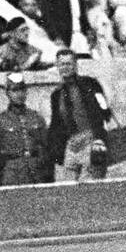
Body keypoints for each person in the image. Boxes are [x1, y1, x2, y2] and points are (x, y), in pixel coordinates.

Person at [47, 48, 111, 181]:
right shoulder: (56, 94)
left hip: (91, 141)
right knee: (68, 190)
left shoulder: (90, 84)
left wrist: (99, 139)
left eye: (68, 63)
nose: (65, 67)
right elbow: (56, 124)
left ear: (75, 65)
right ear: (57, 66)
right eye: (62, 64)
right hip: (71, 146)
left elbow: (105, 111)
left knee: (90, 189)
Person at [0, 74, 52, 185]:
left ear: (26, 92)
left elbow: (46, 146)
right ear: (8, 93)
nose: (19, 94)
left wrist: (48, 172)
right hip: (12, 173)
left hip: (36, 172)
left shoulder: (36, 118)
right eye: (14, 91)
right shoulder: (0, 121)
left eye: (22, 90)